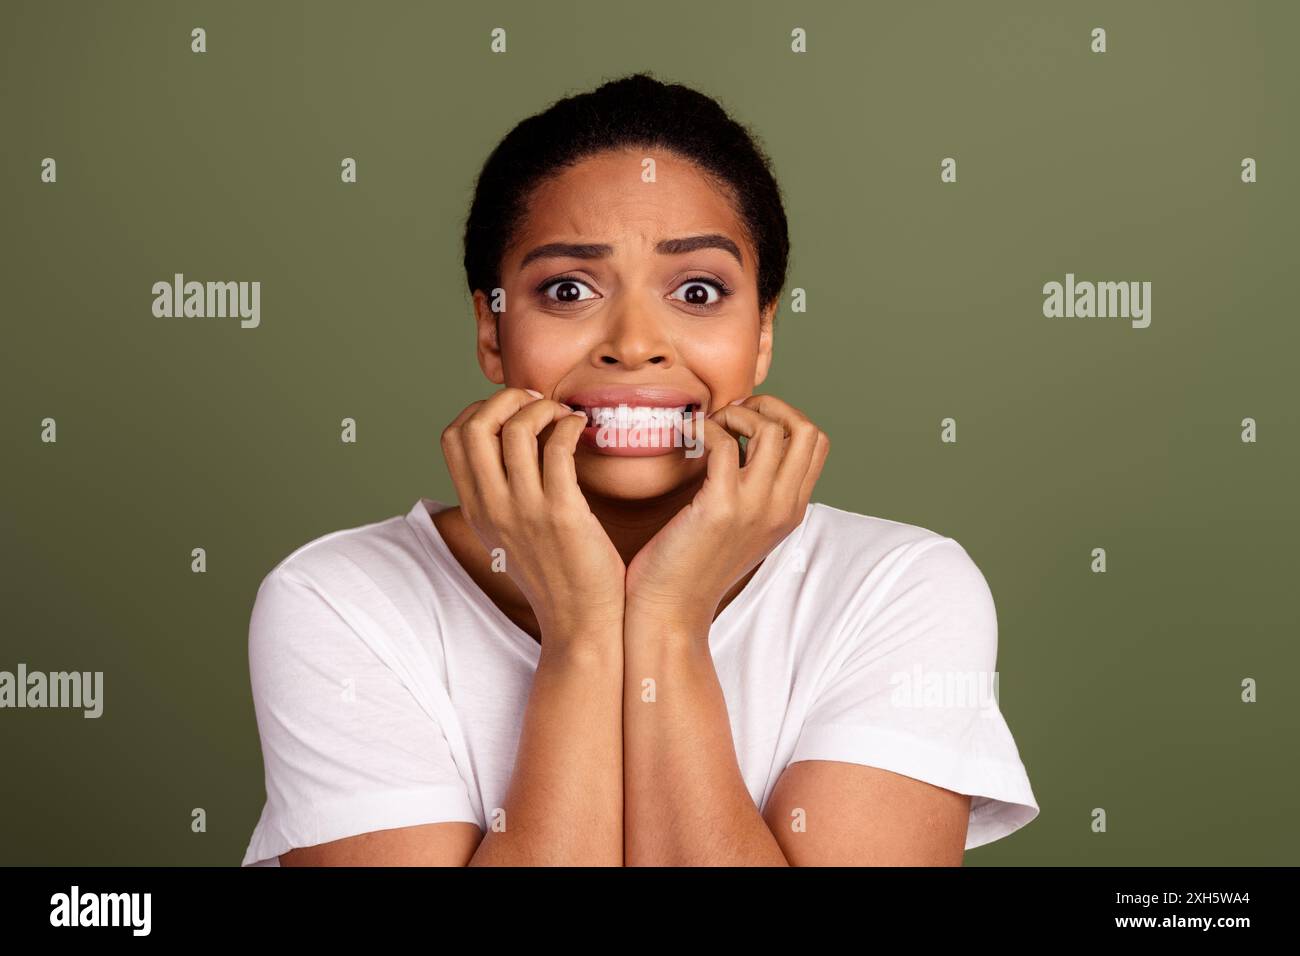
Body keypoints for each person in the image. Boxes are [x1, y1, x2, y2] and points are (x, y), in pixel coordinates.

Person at [241, 72, 1038, 867]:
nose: (634, 341)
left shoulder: (900, 588)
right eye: (567, 288)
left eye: (697, 290)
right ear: (492, 328)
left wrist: (666, 627)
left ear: (761, 333)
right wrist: (584, 634)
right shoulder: (340, 601)